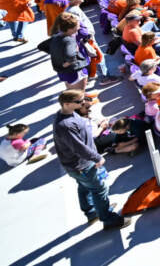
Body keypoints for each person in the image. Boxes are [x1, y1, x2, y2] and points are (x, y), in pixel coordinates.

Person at [52, 89, 132, 230]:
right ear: (66, 104)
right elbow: (78, 147)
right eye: (79, 101)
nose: (83, 103)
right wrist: (97, 158)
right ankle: (108, 219)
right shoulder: (66, 125)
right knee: (99, 189)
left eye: (83, 99)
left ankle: (92, 212)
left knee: (84, 187)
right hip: (82, 165)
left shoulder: (68, 114)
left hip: (78, 165)